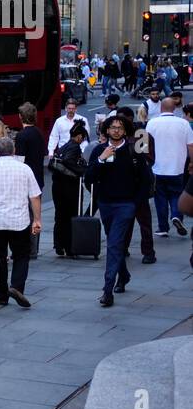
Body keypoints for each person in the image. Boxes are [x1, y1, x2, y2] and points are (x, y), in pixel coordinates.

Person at [0, 136, 42, 309]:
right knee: (21, 255)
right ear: (13, 151)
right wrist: (37, 219)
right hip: (19, 221)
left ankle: (0, 294)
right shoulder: (24, 169)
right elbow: (34, 196)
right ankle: (17, 287)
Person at [85, 115, 146, 306]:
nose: (116, 130)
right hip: (106, 204)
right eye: (112, 127)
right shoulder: (99, 150)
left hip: (126, 205)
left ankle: (107, 290)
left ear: (125, 131)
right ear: (107, 131)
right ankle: (124, 275)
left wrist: (135, 203)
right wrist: (101, 160)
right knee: (115, 242)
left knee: (113, 244)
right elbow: (89, 178)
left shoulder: (134, 151)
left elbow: (145, 180)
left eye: (120, 127)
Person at [146, 97, 193, 238]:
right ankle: (176, 215)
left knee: (160, 197)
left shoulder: (152, 123)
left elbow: (144, 146)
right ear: (174, 108)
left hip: (157, 168)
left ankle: (162, 227)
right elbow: (191, 146)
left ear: (161, 108)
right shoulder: (183, 124)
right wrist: (192, 163)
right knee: (176, 194)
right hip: (177, 167)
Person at [120, 107, 157, 264]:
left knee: (144, 221)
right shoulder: (121, 134)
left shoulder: (139, 135)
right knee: (125, 221)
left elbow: (147, 160)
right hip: (124, 185)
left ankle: (148, 252)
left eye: (121, 120)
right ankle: (124, 248)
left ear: (129, 118)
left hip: (139, 184)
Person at [49, 121, 89, 258]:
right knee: (70, 215)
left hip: (58, 186)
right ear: (78, 136)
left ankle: (59, 245)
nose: (82, 140)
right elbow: (68, 161)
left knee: (60, 216)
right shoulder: (75, 147)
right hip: (69, 187)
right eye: (82, 137)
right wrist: (81, 170)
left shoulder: (64, 146)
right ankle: (69, 246)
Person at [15, 103, 48, 259]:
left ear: (21, 116)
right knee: (35, 215)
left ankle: (25, 249)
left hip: (24, 182)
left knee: (24, 216)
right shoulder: (39, 133)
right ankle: (33, 249)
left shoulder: (22, 136)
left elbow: (19, 161)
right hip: (38, 179)